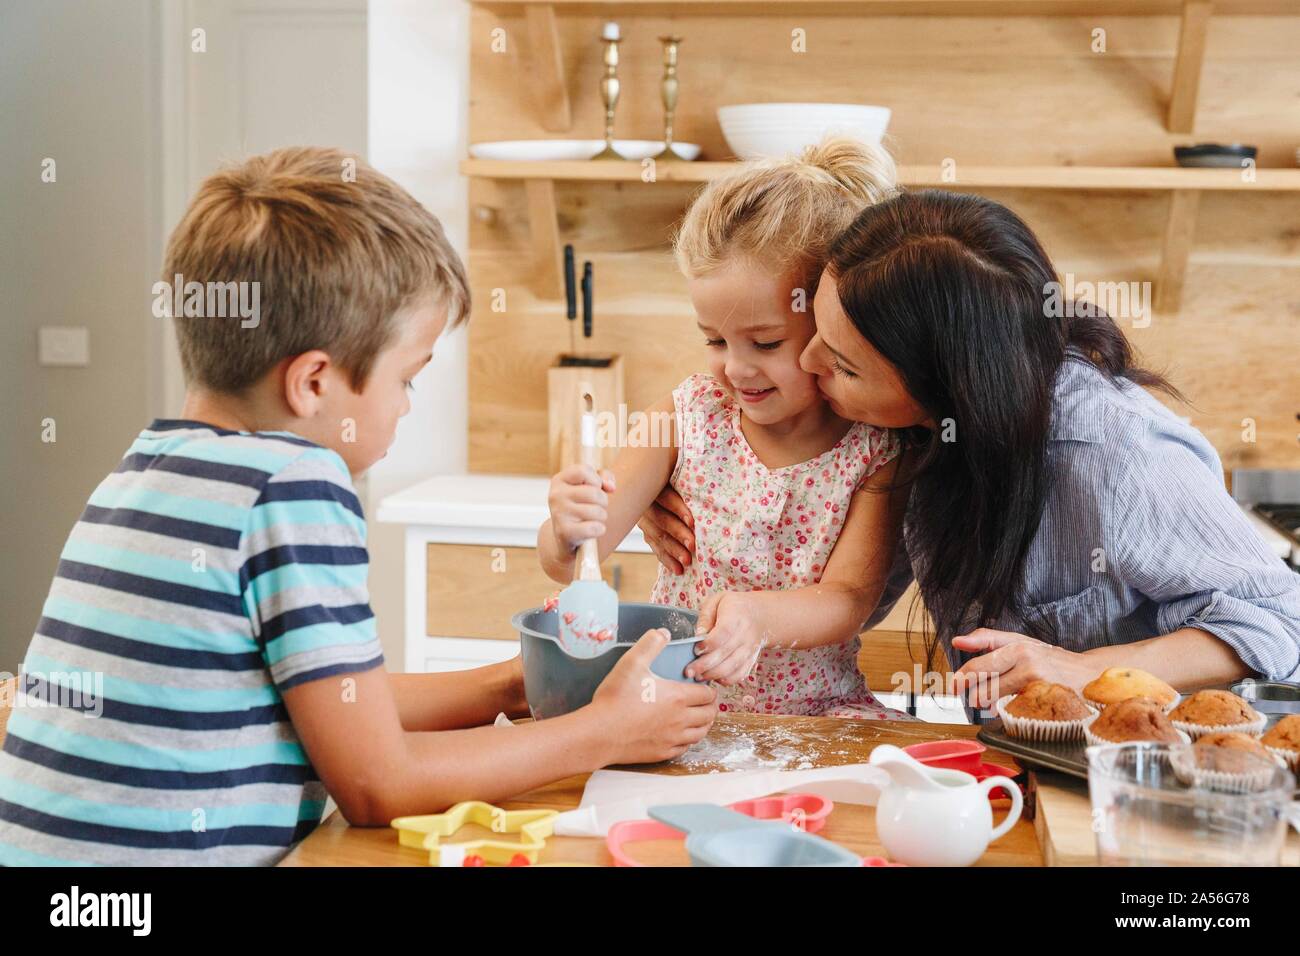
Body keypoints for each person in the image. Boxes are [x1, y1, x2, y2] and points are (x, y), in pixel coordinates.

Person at [0, 147, 715, 866]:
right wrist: (604, 734)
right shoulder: (293, 487)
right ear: (313, 383)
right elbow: (377, 783)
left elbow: (336, 703)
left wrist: (521, 686)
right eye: (407, 379)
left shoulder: (145, 471)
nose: (406, 407)